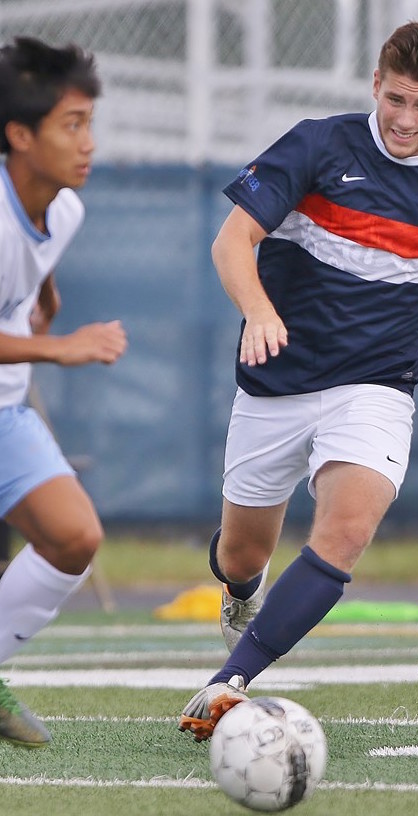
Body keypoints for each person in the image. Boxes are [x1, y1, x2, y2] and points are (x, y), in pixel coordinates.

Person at [179, 21, 418, 741]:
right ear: (375, 84)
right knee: (243, 554)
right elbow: (232, 240)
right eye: (395, 98)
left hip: (376, 383)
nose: (404, 119)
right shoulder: (317, 144)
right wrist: (257, 310)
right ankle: (240, 592)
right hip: (276, 381)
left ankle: (227, 683)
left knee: (345, 532)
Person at [0, 36, 127, 747]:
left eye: (89, 122)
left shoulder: (66, 208)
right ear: (20, 135)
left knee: (74, 536)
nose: (88, 142)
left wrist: (44, 295)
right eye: (71, 124)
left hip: (3, 409)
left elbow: (38, 251)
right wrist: (59, 344)